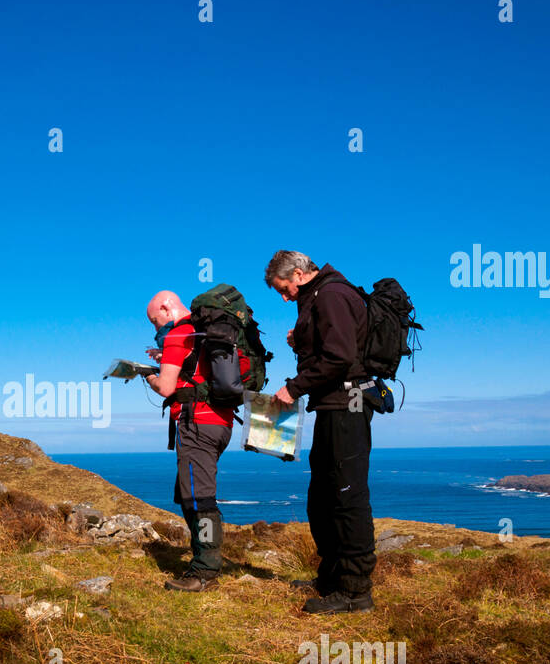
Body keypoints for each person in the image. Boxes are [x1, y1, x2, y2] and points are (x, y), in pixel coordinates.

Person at [265, 251, 377, 613]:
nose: (285, 298)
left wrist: (293, 388)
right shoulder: (319, 296)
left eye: (285, 289)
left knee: (347, 496)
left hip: (348, 404)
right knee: (324, 495)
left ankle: (356, 592)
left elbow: (341, 357)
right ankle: (331, 577)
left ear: (299, 273)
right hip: (332, 406)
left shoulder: (331, 294)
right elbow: (332, 349)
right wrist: (301, 342)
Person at [144, 290, 245, 592]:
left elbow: (165, 387)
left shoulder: (179, 334)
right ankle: (204, 562)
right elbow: (196, 370)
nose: (155, 327)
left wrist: (148, 375)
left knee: (198, 499)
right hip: (220, 423)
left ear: (166, 307)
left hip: (196, 424)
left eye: (154, 320)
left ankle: (204, 571)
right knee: (190, 493)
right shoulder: (202, 332)